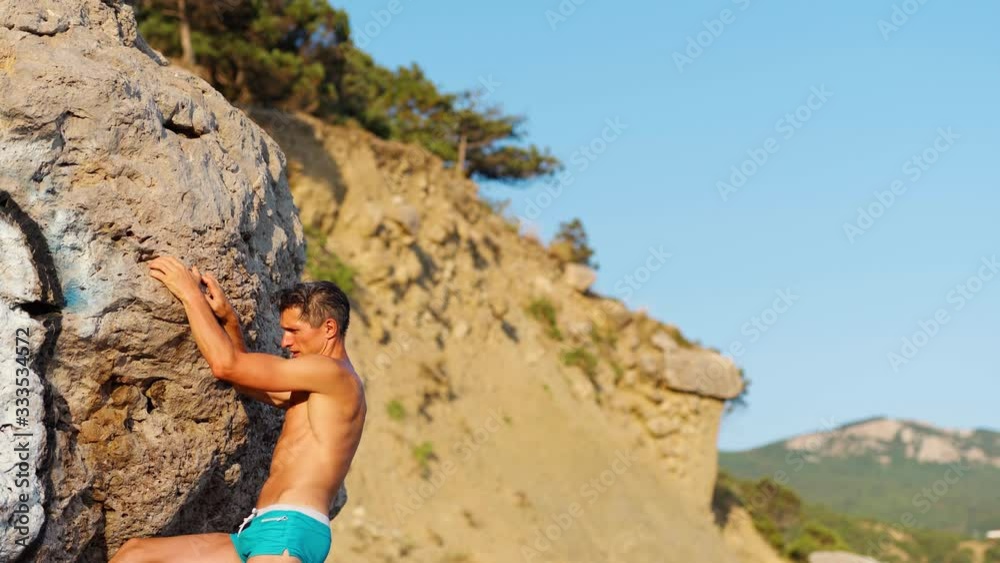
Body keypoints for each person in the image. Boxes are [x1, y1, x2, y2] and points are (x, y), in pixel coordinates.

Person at [111, 255, 367, 563]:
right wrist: (229, 321)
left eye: (294, 331)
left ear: (329, 328)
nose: (285, 342)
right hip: (259, 528)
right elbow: (247, 381)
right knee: (135, 554)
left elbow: (225, 366)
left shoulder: (333, 373)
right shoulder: (318, 385)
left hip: (290, 529)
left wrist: (189, 294)